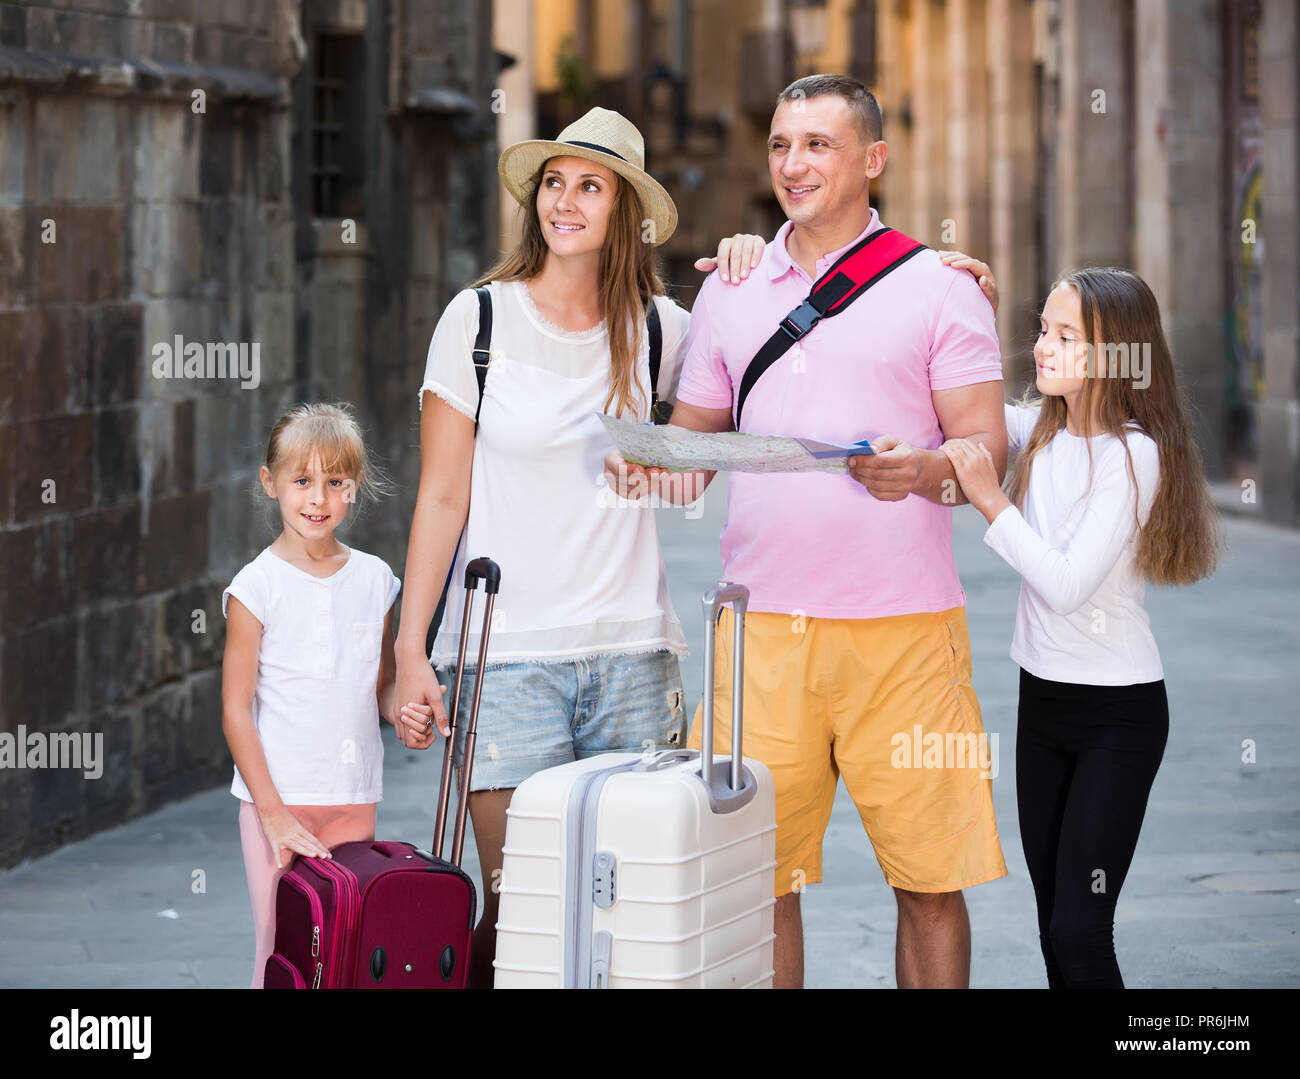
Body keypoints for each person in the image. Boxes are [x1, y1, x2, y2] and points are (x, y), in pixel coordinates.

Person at [605, 74, 1010, 989]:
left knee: (930, 880)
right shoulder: (733, 287)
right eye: (782, 145)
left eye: (818, 145)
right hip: (759, 637)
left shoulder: (941, 287)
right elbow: (695, 451)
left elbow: (986, 447)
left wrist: (925, 470)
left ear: (874, 159)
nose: (793, 163)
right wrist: (646, 466)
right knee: (757, 880)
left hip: (907, 632)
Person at [392, 106, 765, 988]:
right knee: (520, 908)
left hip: (633, 656)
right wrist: (410, 651)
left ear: (623, 210)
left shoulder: (662, 328)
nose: (564, 201)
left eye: (590, 186)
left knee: (629, 915)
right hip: (504, 661)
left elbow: (748, 393)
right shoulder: (477, 320)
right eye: (554, 183)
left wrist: (753, 262)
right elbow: (441, 495)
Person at [940, 265, 1220, 988]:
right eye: (1043, 329)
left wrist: (990, 501)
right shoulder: (1039, 432)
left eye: (1065, 336)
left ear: (1114, 353)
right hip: (1043, 708)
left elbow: (1065, 586)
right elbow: (968, 407)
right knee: (1051, 929)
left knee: (1080, 929)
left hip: (1116, 717)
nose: (1043, 346)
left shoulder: (1134, 455)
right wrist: (970, 310)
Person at [221, 402, 426, 989]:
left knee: (343, 947)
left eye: (335, 482)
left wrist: (404, 712)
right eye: (302, 481)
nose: (318, 498)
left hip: (352, 797)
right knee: (279, 949)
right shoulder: (256, 587)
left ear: (355, 486)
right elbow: (236, 711)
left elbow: (381, 684)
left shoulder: (376, 580)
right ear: (271, 483)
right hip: (276, 801)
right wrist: (272, 814)